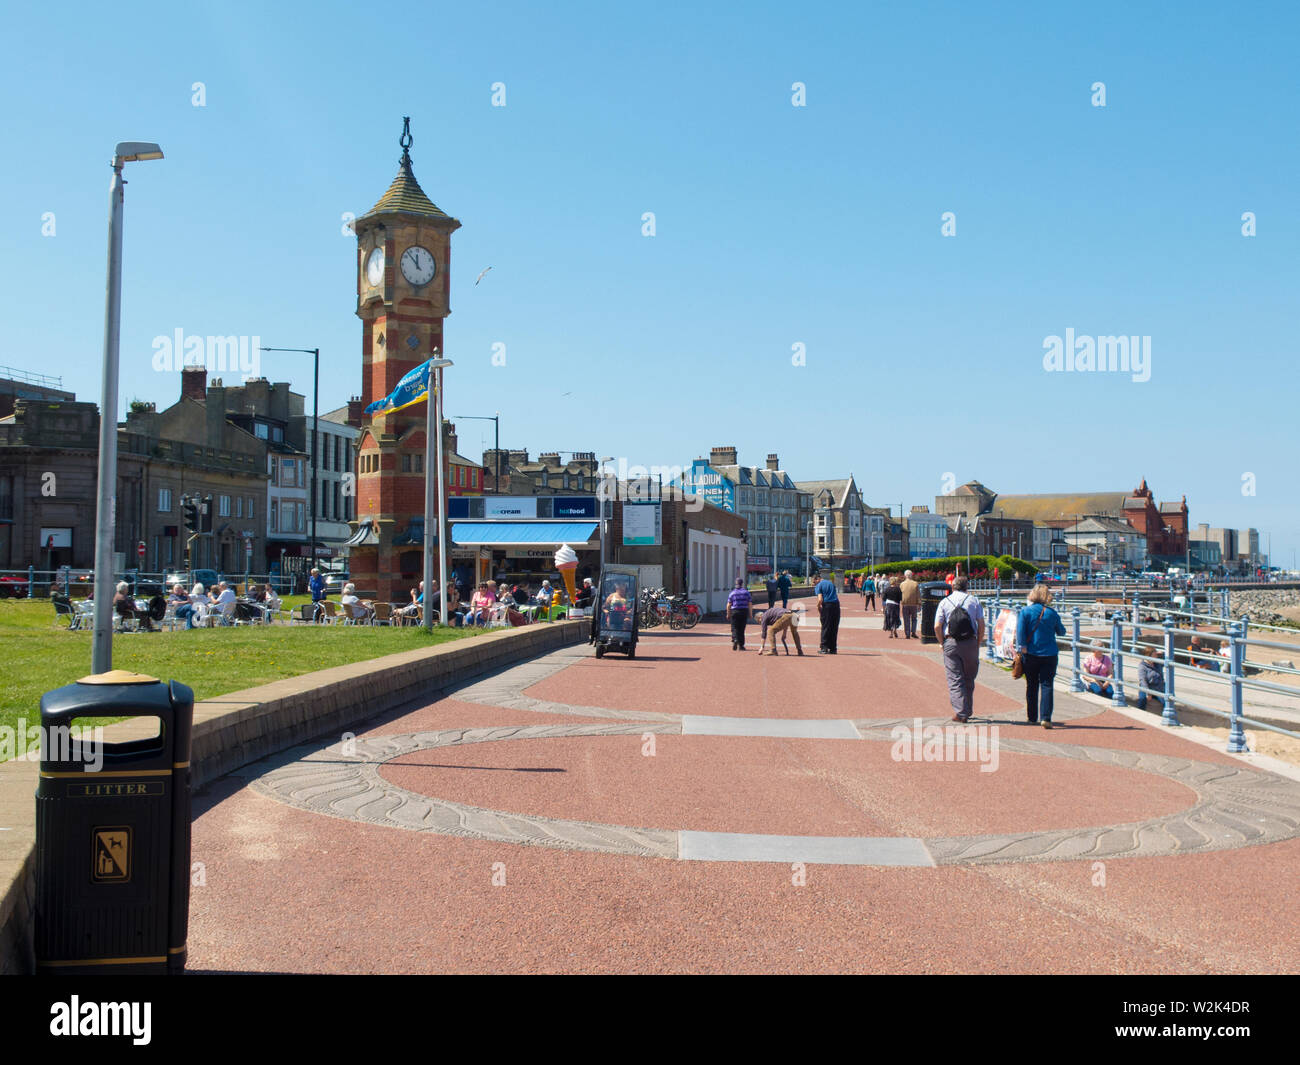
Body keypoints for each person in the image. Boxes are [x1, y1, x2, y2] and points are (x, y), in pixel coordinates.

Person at [935, 576, 986, 722]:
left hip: (951, 642)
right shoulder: (974, 601)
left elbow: (937, 626)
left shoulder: (945, 602)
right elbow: (981, 624)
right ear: (966, 587)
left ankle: (961, 712)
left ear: (952, 587)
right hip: (970, 642)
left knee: (955, 679)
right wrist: (977, 642)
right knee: (969, 677)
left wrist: (941, 642)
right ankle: (967, 710)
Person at [1015, 583, 1066, 728]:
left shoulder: (1025, 612)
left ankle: (1032, 717)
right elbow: (1061, 631)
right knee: (1047, 685)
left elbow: (1020, 632)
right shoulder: (1051, 613)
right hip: (1049, 654)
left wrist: (1023, 647)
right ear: (1047, 596)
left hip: (1030, 653)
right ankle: (1046, 718)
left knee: (1031, 685)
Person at [815, 570, 840, 654]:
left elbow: (820, 599)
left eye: (814, 582)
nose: (814, 584)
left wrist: (818, 607)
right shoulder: (831, 583)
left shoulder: (819, 585)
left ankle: (824, 647)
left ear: (817, 579)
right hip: (836, 605)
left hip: (827, 605)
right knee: (834, 627)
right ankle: (833, 648)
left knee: (825, 626)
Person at [726, 578, 752, 650]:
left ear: (736, 584)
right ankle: (741, 645)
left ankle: (735, 639)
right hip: (744, 611)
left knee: (734, 627)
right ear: (742, 584)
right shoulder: (746, 593)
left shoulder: (732, 593)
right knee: (742, 628)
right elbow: (749, 603)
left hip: (735, 611)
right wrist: (750, 614)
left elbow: (728, 605)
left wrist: (728, 614)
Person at [1137, 647, 1165, 713]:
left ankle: (1167, 718)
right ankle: (1140, 714)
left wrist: (1162, 654)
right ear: (1148, 656)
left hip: (1158, 687)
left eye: (1156, 655)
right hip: (1147, 687)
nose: (1156, 657)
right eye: (1154, 655)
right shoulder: (1142, 666)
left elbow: (1167, 661)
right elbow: (1142, 680)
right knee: (1142, 699)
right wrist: (1148, 692)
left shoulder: (1158, 663)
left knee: (1166, 701)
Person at [899, 570, 920, 639]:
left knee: (906, 619)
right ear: (911, 575)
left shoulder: (902, 584)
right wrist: (919, 603)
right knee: (914, 619)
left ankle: (907, 633)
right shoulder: (915, 583)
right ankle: (913, 632)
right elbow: (918, 595)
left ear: (905, 576)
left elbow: (900, 594)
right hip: (914, 604)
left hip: (905, 604)